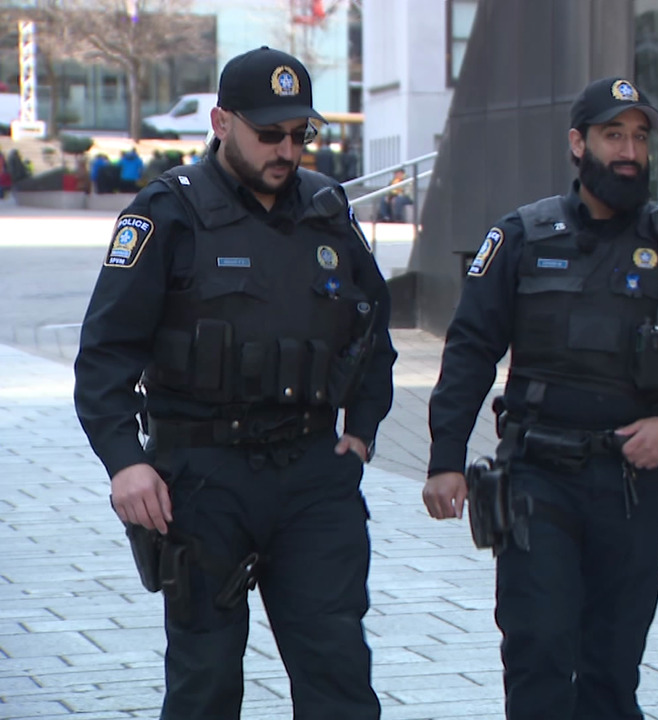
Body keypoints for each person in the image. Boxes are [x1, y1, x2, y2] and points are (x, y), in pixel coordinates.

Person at [73, 46, 396, 720]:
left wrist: (362, 432)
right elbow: (105, 354)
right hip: (202, 477)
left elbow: (373, 328)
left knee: (339, 673)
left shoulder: (327, 209)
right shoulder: (167, 212)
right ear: (221, 122)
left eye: (300, 135)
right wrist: (125, 462)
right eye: (269, 134)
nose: (287, 150)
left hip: (311, 475)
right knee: (206, 682)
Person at [422, 76, 658, 719]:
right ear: (578, 143)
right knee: (539, 652)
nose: (629, 151)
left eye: (639, 137)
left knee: (612, 669)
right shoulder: (522, 237)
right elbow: (470, 351)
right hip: (536, 477)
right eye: (612, 135)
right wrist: (444, 458)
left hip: (631, 486)